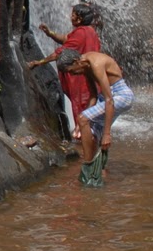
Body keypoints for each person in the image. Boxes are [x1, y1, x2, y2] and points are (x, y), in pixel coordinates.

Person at [55, 47, 133, 187]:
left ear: (76, 61)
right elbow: (93, 96)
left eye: (71, 71)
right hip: (107, 99)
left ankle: (88, 165)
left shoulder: (96, 64)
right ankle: (100, 170)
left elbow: (110, 100)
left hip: (121, 95)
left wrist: (107, 134)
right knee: (92, 132)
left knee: (85, 118)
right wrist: (80, 125)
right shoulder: (85, 65)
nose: (72, 75)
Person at [28, 3, 101, 138]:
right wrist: (50, 33)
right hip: (89, 76)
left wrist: (39, 62)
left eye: (73, 14)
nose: (70, 16)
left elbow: (60, 53)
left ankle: (84, 139)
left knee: (81, 108)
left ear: (79, 19)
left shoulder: (81, 33)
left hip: (80, 79)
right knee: (88, 108)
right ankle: (89, 137)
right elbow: (66, 39)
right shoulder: (89, 31)